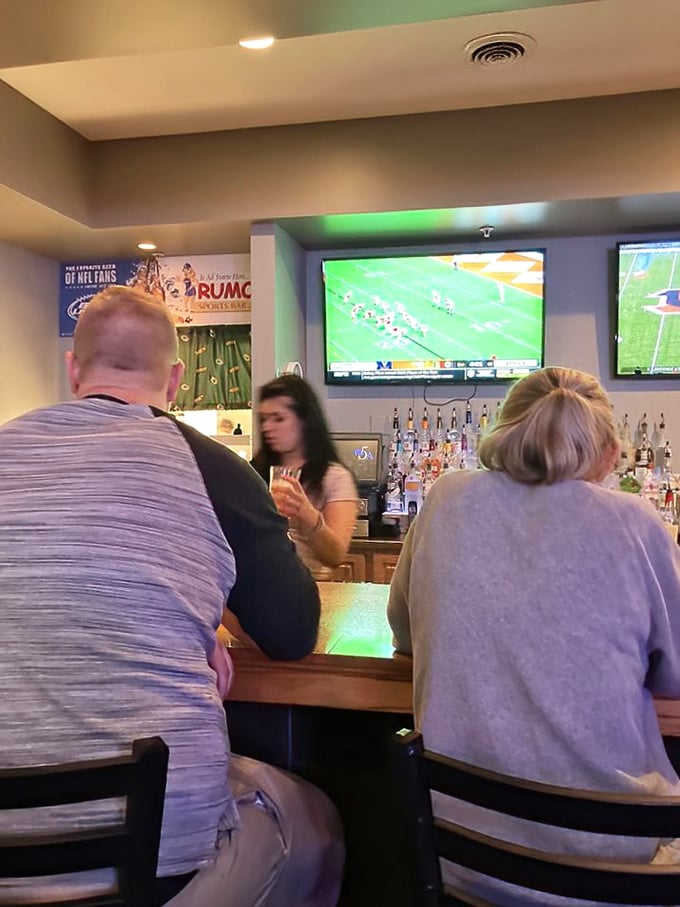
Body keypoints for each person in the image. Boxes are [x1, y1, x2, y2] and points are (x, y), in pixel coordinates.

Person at [0, 286, 343, 907]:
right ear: (177, 380)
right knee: (314, 819)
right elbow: (291, 631)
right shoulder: (213, 467)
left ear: (74, 370)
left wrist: (187, 615)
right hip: (163, 862)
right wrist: (194, 618)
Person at [387, 366, 680, 905]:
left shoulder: (446, 499)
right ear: (610, 452)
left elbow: (404, 634)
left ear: (503, 431)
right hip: (617, 870)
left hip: (463, 866)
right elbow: (675, 676)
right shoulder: (636, 523)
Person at [251, 374, 358, 581]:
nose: (267, 427)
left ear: (305, 420)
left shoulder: (334, 477)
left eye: (278, 418)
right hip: (256, 586)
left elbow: (335, 556)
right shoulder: (253, 472)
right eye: (263, 419)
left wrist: (306, 514)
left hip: (312, 587)